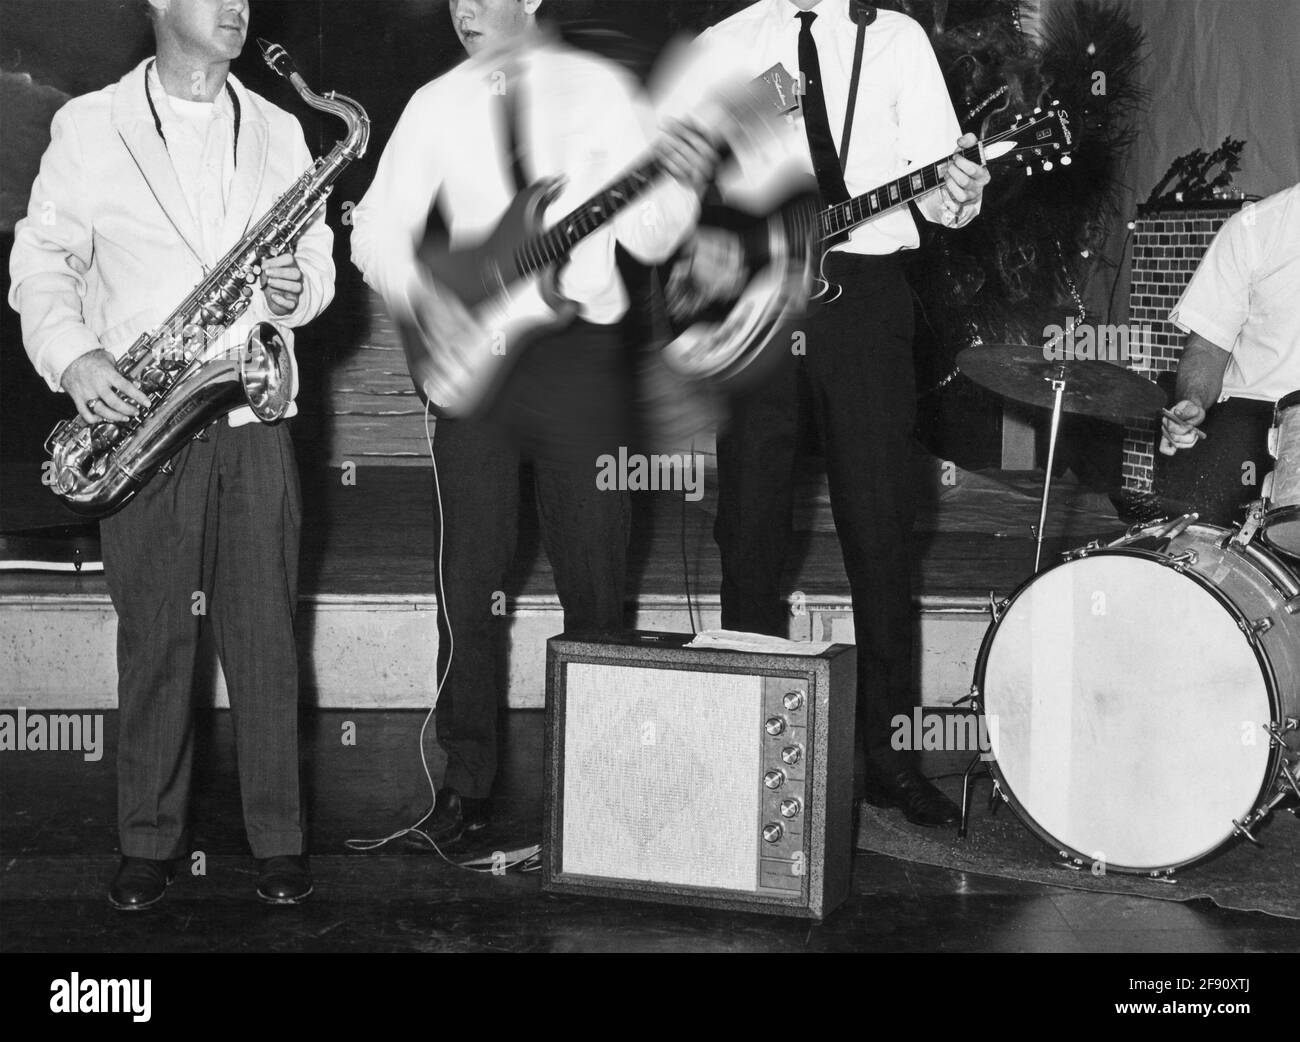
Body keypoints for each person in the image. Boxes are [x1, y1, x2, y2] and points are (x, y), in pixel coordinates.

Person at [350, 0, 718, 845]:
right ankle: (467, 781)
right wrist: (429, 300)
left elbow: (658, 238)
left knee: (596, 579)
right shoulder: (435, 104)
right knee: (468, 582)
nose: (467, 10)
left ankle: (602, 786)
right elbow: (373, 227)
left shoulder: (604, 95)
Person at [9, 0, 335, 907]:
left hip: (253, 419)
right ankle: (147, 840)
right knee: (156, 640)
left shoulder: (279, 127)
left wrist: (299, 285)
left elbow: (318, 255)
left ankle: (281, 840)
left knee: (269, 639)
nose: (239, 6)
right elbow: (42, 263)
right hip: (144, 423)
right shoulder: (88, 125)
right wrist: (74, 356)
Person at [671, 0, 990, 825]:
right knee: (749, 526)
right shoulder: (727, 43)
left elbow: (941, 200)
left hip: (866, 300)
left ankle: (888, 758)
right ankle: (750, 741)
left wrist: (960, 193)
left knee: (881, 530)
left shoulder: (897, 38)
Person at [1158, 182, 1300, 526]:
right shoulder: (1255, 229)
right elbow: (1208, 345)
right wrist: (1193, 400)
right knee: (1208, 531)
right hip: (1259, 417)